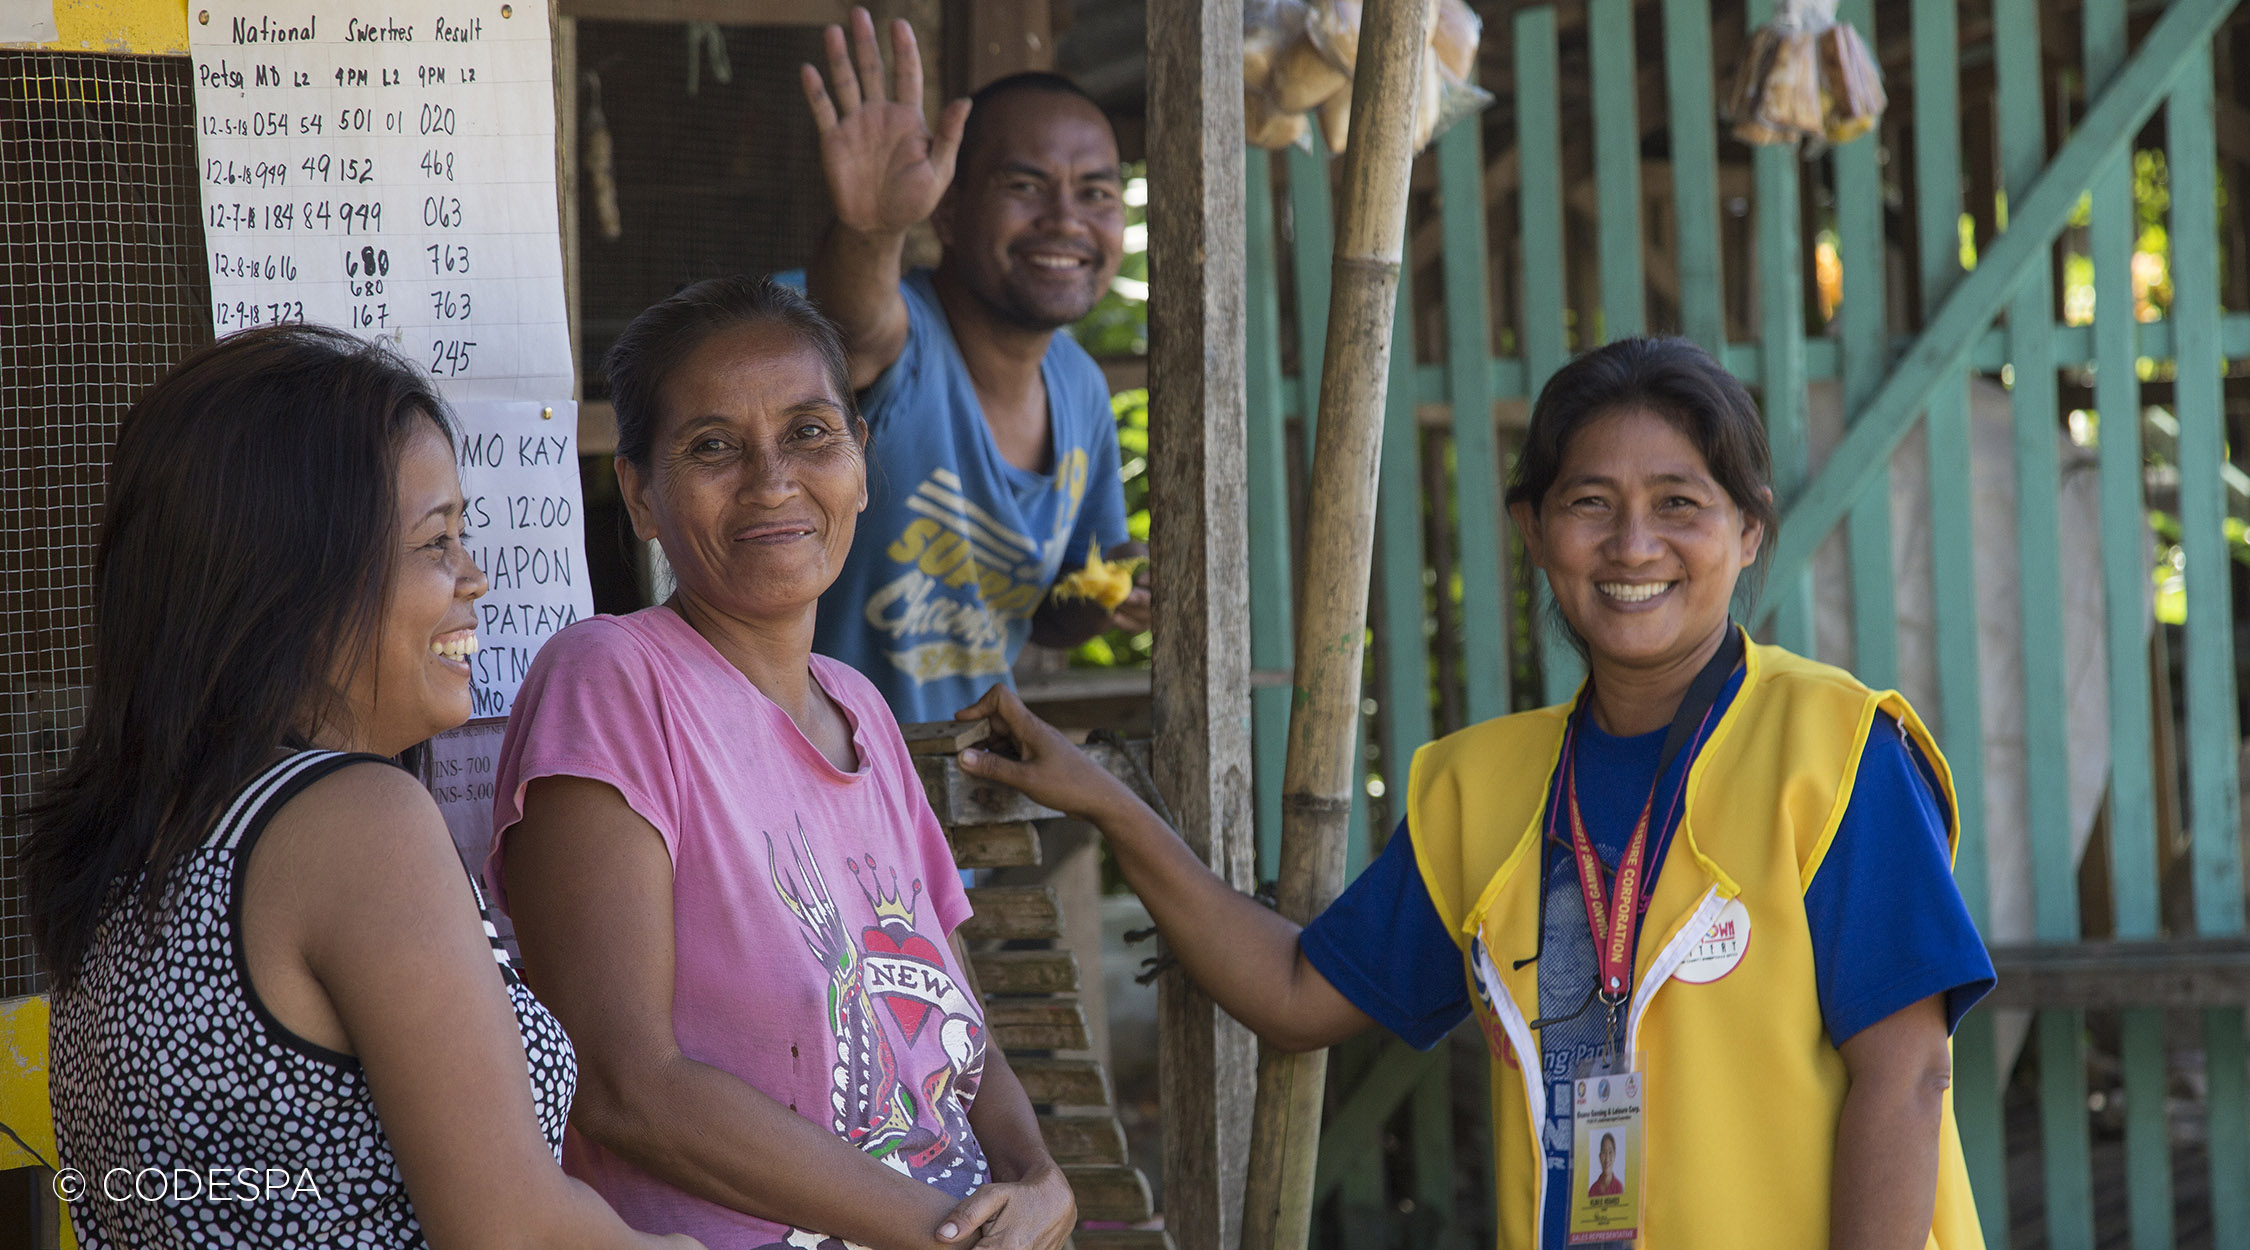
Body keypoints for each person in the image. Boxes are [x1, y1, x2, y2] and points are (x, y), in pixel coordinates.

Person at [943, 337, 1996, 1250]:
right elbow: (1298, 993)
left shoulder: (1835, 748)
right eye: (1591, 503)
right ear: (1534, 528)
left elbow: (1907, 1077)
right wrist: (1110, 804)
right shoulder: (1481, 787)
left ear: (1750, 529)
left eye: (1679, 503)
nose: (1633, 544)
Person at [25, 326, 701, 1250]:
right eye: (435, 542)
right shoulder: (354, 823)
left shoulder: (145, 838)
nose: (475, 578)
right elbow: (519, 1234)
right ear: (293, 580)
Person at [488, 276, 1073, 1250]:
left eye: (809, 432)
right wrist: (952, 1234)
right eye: (711, 446)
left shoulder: (862, 709)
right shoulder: (612, 679)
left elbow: (954, 1030)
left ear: (860, 462)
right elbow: (623, 1085)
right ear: (640, 494)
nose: (771, 480)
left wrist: (1039, 1180)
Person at [794, 8, 1145, 723]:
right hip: (821, 765)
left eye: (1096, 193)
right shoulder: (905, 341)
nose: (1066, 219)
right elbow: (852, 327)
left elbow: (1049, 618)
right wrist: (872, 229)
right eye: (1025, 186)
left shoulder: (1079, 386)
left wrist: (1115, 592)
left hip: (962, 772)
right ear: (948, 213)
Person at [1587, 1134, 1621, 1199]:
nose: (1607, 1159)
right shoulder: (1592, 1190)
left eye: (1610, 1152)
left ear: (1614, 1155)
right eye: (1604, 1152)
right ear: (1600, 1157)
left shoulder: (1619, 1188)